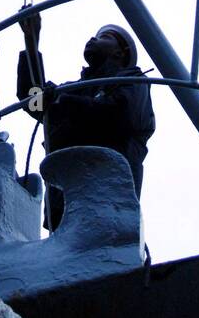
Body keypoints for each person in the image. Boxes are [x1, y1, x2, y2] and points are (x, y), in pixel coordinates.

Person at [17, 14, 155, 230]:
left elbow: (122, 114)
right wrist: (31, 43)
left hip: (110, 199)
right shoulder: (74, 89)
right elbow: (33, 104)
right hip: (63, 208)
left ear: (120, 52)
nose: (93, 39)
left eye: (105, 37)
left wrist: (63, 102)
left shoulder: (132, 81)